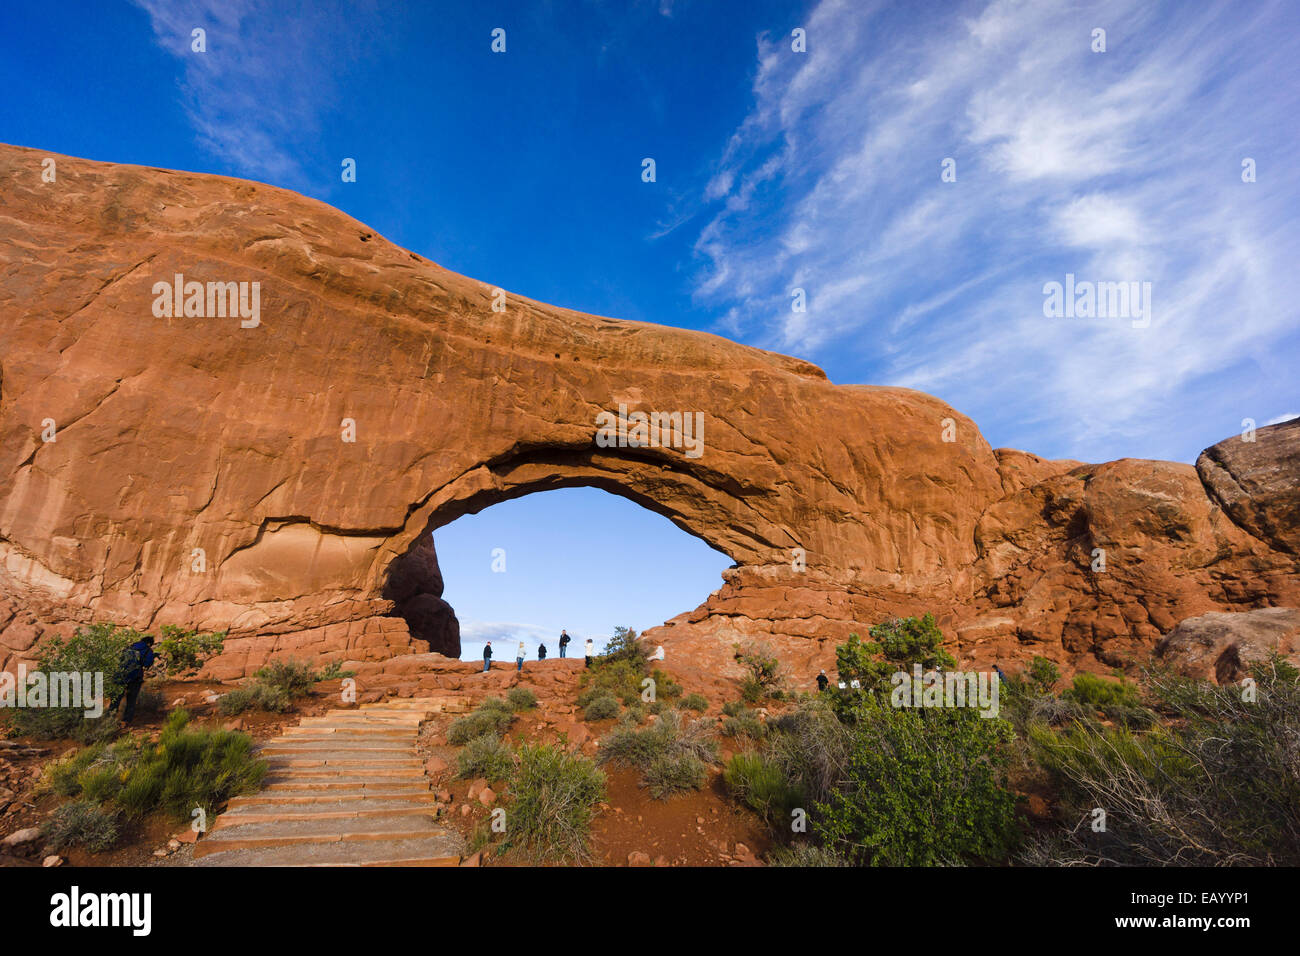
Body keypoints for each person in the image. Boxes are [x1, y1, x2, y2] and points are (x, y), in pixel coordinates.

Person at [109, 634, 156, 725]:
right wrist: (152, 657)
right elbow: (146, 664)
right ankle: (126, 721)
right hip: (135, 678)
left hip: (120, 677)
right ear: (149, 643)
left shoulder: (129, 647)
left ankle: (109, 720)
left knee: (115, 699)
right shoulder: (148, 650)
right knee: (131, 700)